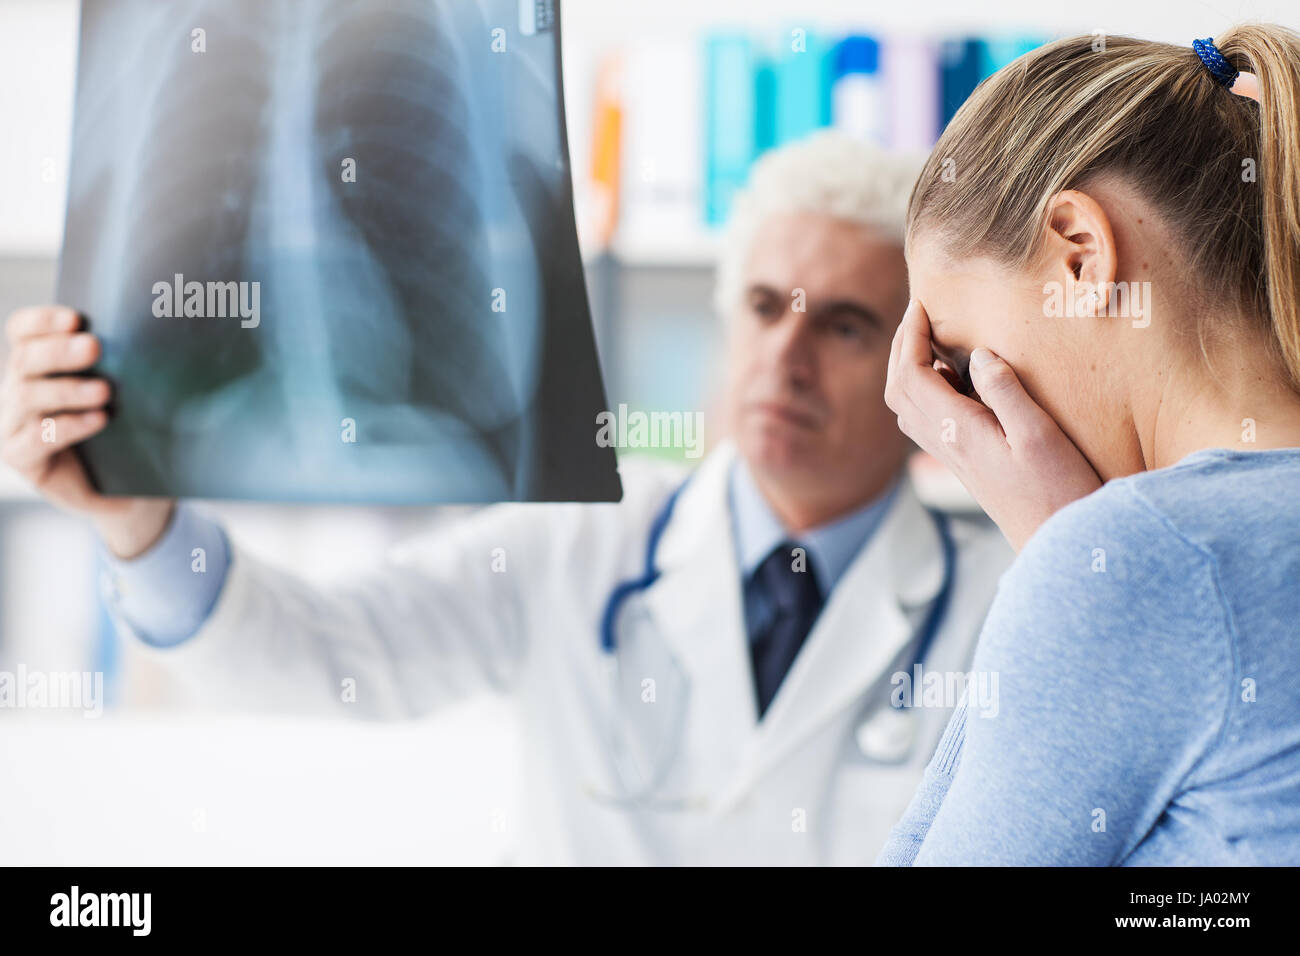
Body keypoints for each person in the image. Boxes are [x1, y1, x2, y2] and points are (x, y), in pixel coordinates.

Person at [0, 131, 1013, 865]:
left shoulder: (999, 610)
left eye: (840, 325)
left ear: (920, 372)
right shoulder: (577, 541)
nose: (782, 359)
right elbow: (324, 654)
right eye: (761, 308)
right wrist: (136, 522)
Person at [876, 26, 1300, 865]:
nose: (950, 415)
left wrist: (1063, 551)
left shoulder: (1145, 560)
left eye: (959, 362)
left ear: (1080, 256)